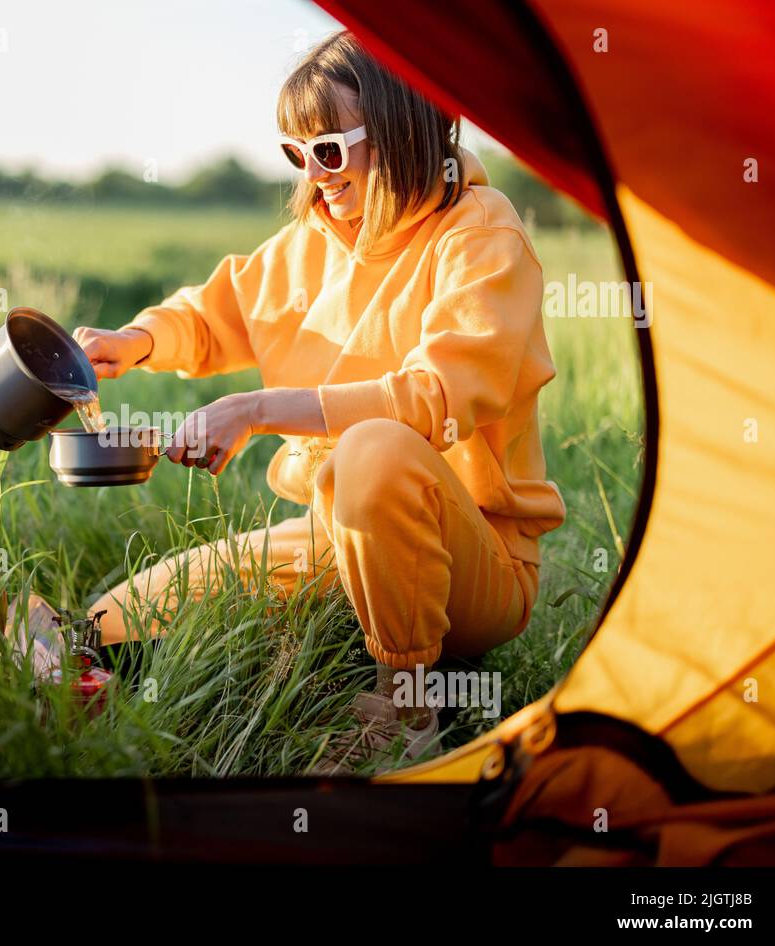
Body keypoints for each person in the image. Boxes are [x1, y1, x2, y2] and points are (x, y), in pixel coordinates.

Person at [76, 31, 565, 771]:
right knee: (110, 628)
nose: (313, 174)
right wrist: (136, 341)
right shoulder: (313, 241)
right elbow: (217, 311)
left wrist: (259, 409)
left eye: (329, 150)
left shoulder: (483, 235)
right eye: (296, 153)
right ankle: (68, 662)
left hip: (479, 563)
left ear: (400, 129)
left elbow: (432, 396)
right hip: (341, 538)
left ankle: (404, 712)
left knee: (375, 449)